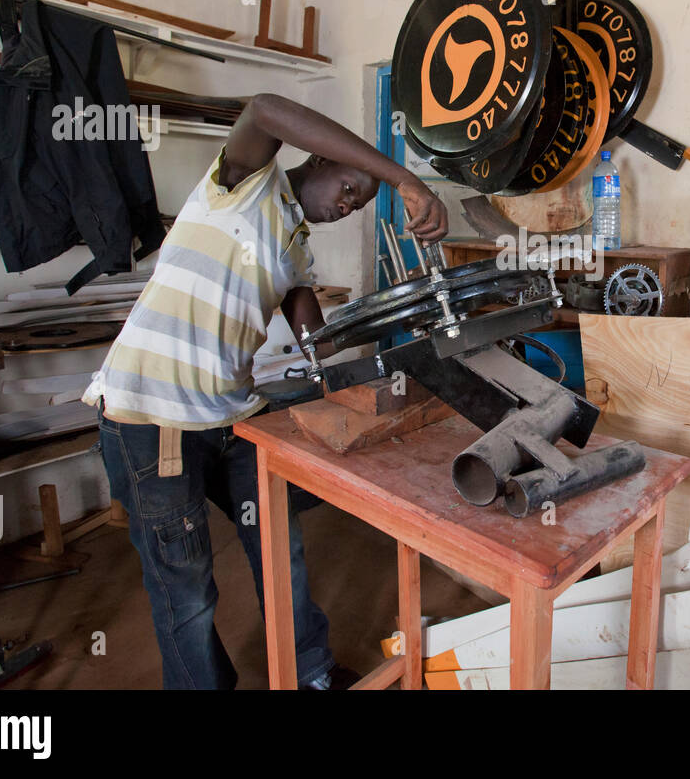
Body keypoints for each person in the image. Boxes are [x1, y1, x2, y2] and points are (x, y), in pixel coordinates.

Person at [83, 93, 447, 689]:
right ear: (318, 161)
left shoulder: (293, 245)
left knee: (282, 551)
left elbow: (316, 340)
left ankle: (312, 672)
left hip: (230, 415)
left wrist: (394, 339)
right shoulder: (244, 180)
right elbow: (265, 108)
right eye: (350, 189)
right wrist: (402, 178)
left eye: (358, 208)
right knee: (187, 585)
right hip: (152, 417)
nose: (348, 207)